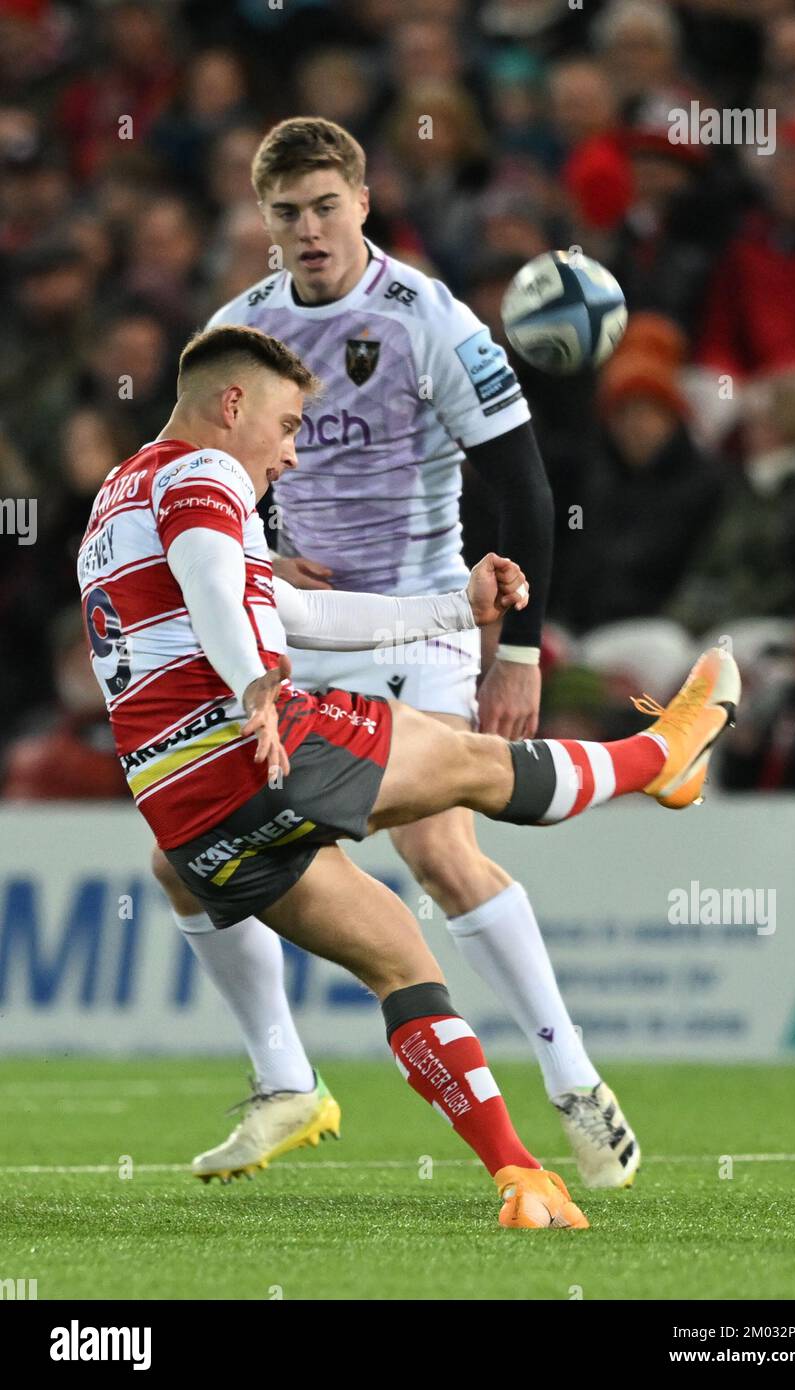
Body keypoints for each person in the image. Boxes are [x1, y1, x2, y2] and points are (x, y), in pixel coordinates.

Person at [78, 324, 739, 1225]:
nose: (291, 452)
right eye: (287, 424)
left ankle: (519, 1177)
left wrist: (448, 610)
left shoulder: (117, 498)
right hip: (256, 742)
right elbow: (209, 583)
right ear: (231, 406)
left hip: (186, 814)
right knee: (468, 760)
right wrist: (257, 689)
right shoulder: (204, 474)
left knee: (404, 967)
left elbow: (295, 608)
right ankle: (658, 759)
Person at [156, 115, 646, 1191]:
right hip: (290, 636)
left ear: (363, 204)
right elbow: (189, 486)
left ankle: (569, 1078)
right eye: (286, 212)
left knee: (437, 853)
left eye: (326, 206)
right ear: (264, 219)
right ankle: (282, 1079)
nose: (308, 229)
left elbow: (521, 483)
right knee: (193, 851)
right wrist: (255, 553)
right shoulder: (240, 331)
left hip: (419, 620)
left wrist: (513, 650)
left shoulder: (425, 315)